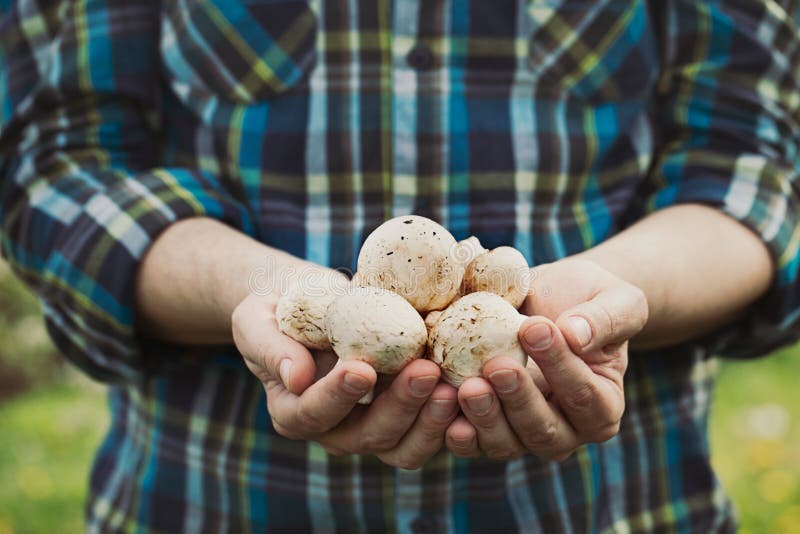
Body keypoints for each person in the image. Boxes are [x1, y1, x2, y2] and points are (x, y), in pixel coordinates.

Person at [1, 0, 798, 531]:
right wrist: (255, 290)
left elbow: (754, 169)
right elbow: (61, 167)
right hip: (209, 499)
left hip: (620, 503)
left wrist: (602, 307)